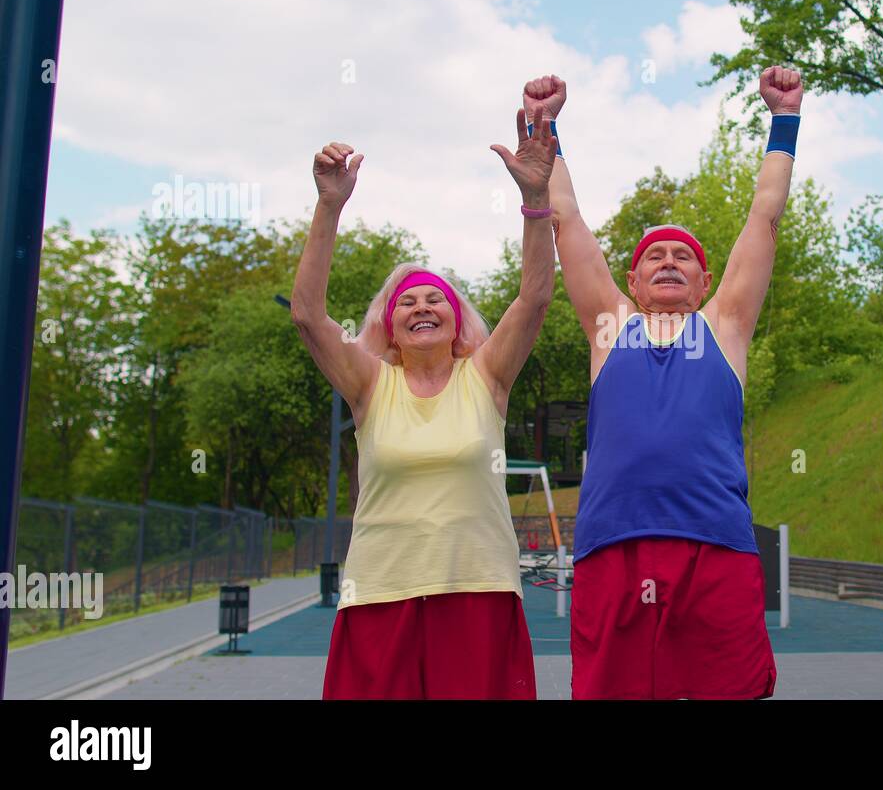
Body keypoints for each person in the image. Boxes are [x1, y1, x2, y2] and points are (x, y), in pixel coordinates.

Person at [523, 67, 803, 699]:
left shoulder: (725, 327)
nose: (671, 261)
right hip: (613, 546)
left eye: (685, 257)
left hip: (715, 546)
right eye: (656, 255)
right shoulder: (609, 327)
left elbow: (765, 217)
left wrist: (784, 118)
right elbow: (563, 221)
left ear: (705, 284)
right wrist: (546, 126)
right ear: (634, 279)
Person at [291, 109, 559, 699]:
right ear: (390, 325)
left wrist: (536, 200)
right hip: (380, 595)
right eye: (406, 303)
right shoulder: (369, 385)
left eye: (433, 299)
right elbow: (308, 314)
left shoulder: (485, 377)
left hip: (477, 592)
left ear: (456, 319)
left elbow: (536, 297)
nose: (419, 307)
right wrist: (329, 206)